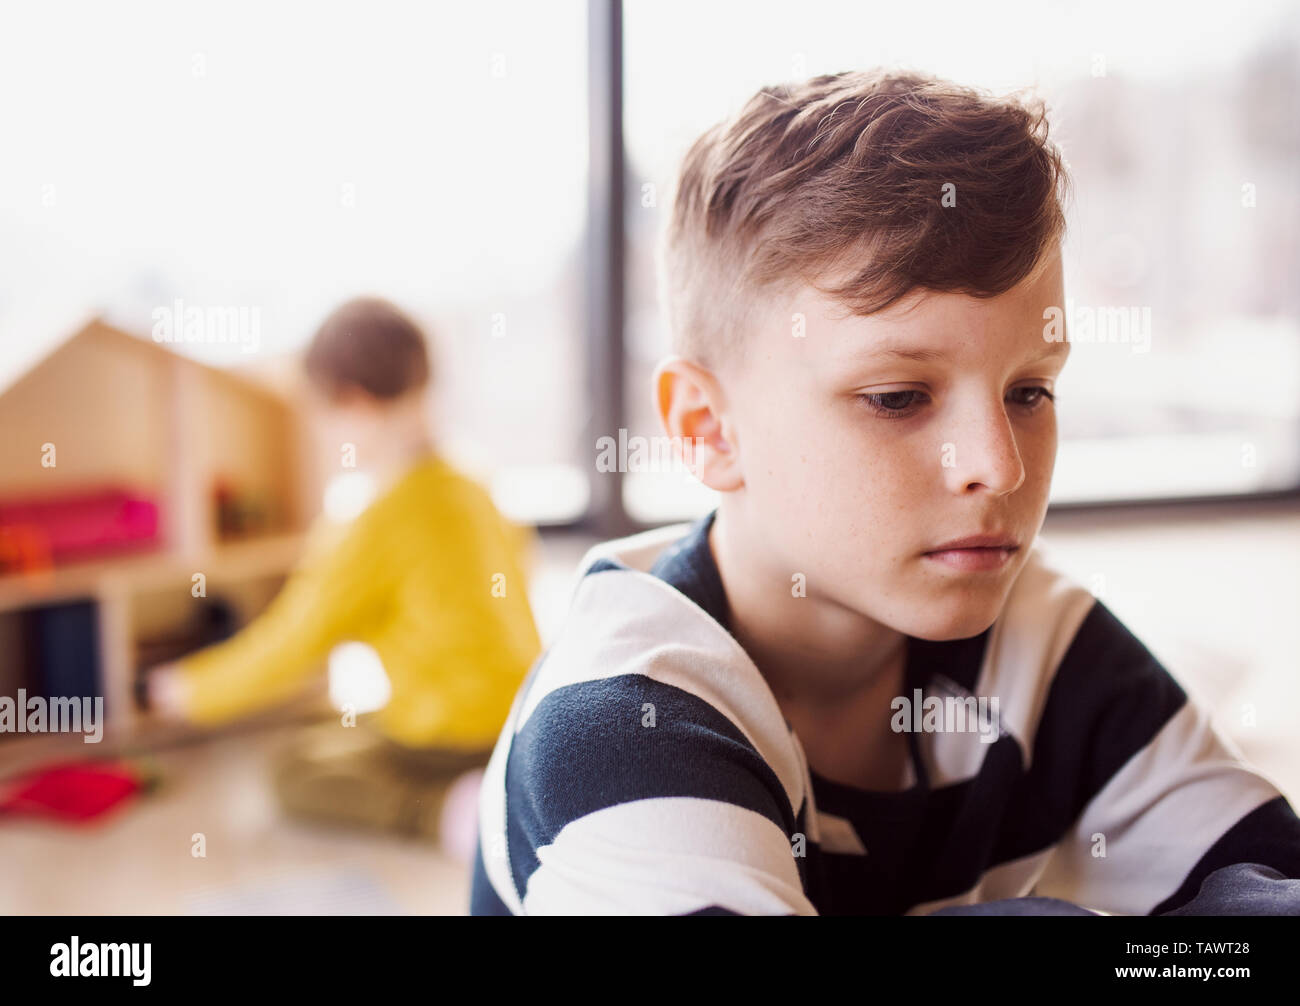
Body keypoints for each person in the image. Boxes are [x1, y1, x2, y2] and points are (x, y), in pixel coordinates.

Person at [470, 69, 1300, 914]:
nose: (999, 466)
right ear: (710, 429)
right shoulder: (619, 722)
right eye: (897, 398)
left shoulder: (1044, 645)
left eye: (1029, 392)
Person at [145, 297, 542, 853]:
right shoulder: (475, 485)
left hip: (452, 732)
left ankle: (444, 813)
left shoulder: (373, 521)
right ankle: (486, 786)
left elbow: (289, 644)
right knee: (330, 724)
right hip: (526, 719)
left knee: (292, 770)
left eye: (321, 417)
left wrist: (188, 691)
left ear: (353, 406)